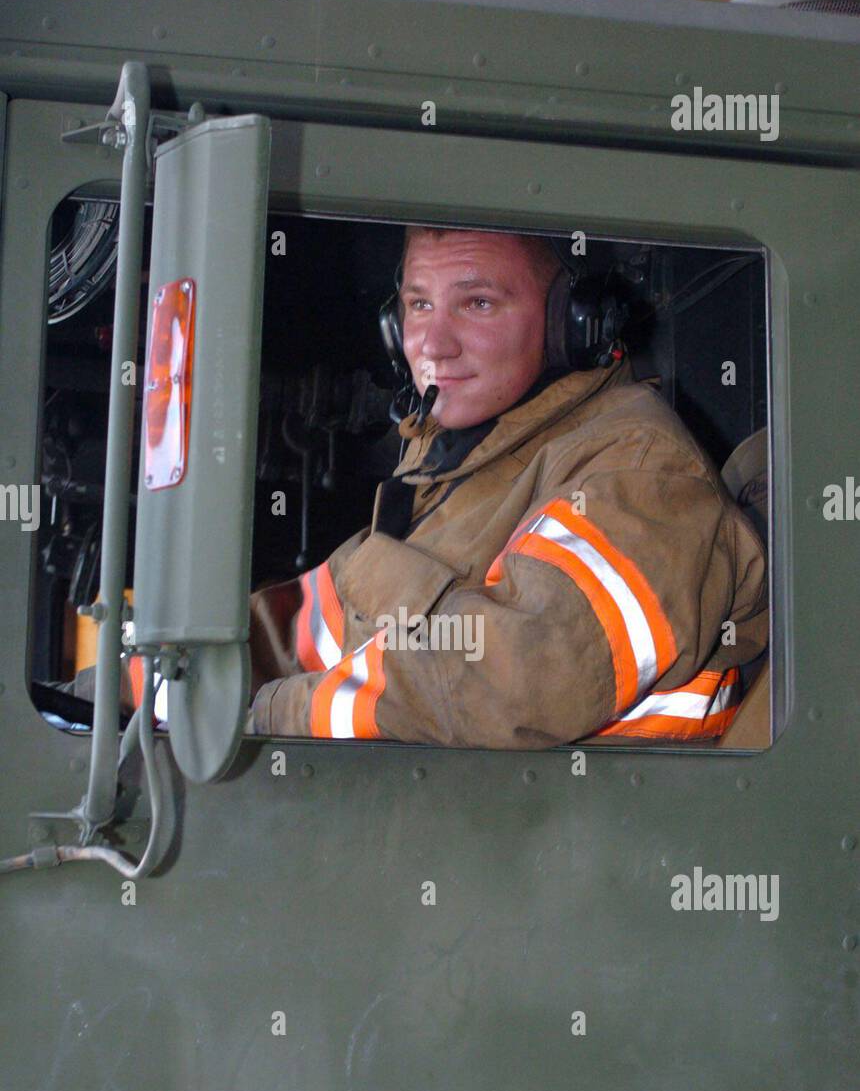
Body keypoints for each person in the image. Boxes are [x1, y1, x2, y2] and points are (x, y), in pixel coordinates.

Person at [246, 224, 768, 747]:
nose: (432, 345)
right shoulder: (456, 465)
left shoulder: (640, 473)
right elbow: (316, 624)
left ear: (572, 321)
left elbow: (504, 682)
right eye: (419, 304)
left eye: (477, 303)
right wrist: (200, 672)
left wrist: (260, 717)